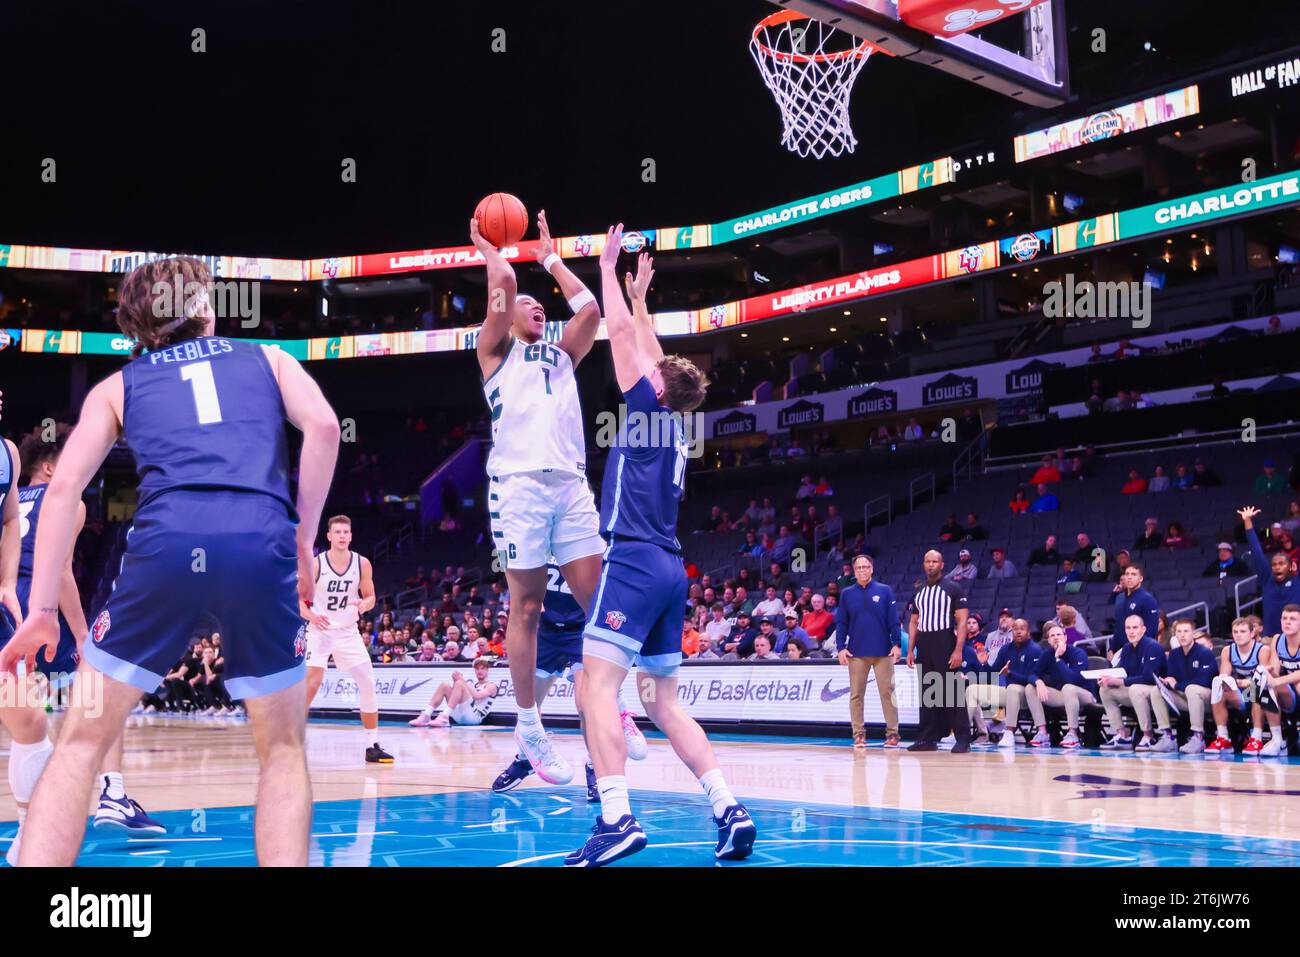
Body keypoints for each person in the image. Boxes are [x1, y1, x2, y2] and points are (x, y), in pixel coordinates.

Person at [0, 256, 340, 866]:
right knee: (284, 749)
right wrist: (303, 536)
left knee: (79, 744)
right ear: (206, 309)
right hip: (259, 537)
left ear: (137, 332)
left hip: (168, 542)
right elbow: (323, 426)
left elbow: (61, 491)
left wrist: (43, 607)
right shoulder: (269, 359)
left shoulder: (118, 386)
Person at [569, 234, 753, 866]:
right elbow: (648, 349)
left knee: (595, 687)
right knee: (660, 700)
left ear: (654, 385)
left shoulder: (646, 407)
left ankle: (617, 817)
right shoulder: (674, 419)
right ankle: (728, 807)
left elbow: (622, 338)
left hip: (634, 560)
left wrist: (608, 271)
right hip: (672, 568)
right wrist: (643, 298)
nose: (643, 367)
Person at [470, 210, 606, 787]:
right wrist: (488, 245)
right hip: (519, 485)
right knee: (526, 608)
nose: (536, 306)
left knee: (599, 604)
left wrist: (551, 257)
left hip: (571, 483)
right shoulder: (495, 353)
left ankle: (608, 709)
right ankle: (528, 724)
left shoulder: (562, 355)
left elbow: (592, 311)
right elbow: (502, 285)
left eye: (538, 303)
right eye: (529, 303)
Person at [0, 426, 164, 856]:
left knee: (28, 720)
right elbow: (64, 575)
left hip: (10, 600)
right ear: (51, 466)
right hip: (34, 606)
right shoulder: (65, 500)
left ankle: (41, 819)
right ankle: (111, 792)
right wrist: (80, 634)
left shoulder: (14, 497)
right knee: (99, 690)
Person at [300, 515, 390, 764]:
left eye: (345, 532)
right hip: (320, 630)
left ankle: (372, 745)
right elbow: (298, 601)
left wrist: (364, 604)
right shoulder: (315, 564)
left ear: (351, 536)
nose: (341, 535)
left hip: (348, 631)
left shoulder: (362, 564)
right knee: (311, 683)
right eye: (337, 532)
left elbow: (371, 596)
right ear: (328, 536)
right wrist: (312, 616)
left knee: (368, 683)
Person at [905, 550, 970, 752]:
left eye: (935, 561)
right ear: (924, 564)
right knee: (928, 692)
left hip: (945, 640)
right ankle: (927, 739)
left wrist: (958, 650)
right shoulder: (919, 590)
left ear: (942, 565)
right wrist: (910, 650)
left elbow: (962, 621)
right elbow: (914, 621)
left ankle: (963, 740)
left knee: (951, 691)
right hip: (924, 642)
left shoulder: (953, 588)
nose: (931, 564)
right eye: (927, 561)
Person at [836, 555, 901, 749]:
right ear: (854, 571)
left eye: (866, 567)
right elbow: (841, 623)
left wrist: (896, 644)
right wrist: (840, 648)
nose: (862, 570)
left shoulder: (884, 591)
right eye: (858, 568)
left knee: (888, 694)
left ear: (872, 569)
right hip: (856, 653)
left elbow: (893, 620)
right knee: (856, 695)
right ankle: (859, 735)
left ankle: (893, 734)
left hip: (883, 652)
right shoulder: (847, 594)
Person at [1205, 617, 1284, 756]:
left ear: (1252, 633)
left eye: (1242, 631)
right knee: (1218, 685)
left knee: (1259, 689)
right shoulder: (1227, 650)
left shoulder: (1262, 650)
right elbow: (1225, 676)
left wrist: (1244, 682)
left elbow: (1263, 676)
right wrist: (1230, 682)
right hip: (1240, 690)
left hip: (1260, 689)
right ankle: (1223, 738)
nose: (1238, 635)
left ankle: (1256, 739)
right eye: (1235, 632)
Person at [1098, 615, 1175, 752]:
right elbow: (1122, 672)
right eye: (1128, 628)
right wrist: (1108, 678)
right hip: (1135, 690)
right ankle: (1121, 734)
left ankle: (1148, 736)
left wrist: (1118, 681)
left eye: (1135, 627)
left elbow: (1149, 678)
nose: (1131, 631)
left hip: (1156, 692)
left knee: (1135, 689)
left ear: (1143, 629)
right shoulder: (1127, 648)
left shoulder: (1153, 647)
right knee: (1105, 690)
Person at [1031, 623, 1097, 748]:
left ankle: (1073, 733)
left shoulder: (1078, 653)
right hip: (1064, 695)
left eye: (1058, 634)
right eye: (1052, 636)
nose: (1056, 637)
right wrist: (1038, 681)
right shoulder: (1046, 654)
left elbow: (1072, 679)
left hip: (1086, 696)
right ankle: (1042, 732)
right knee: (1031, 688)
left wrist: (1058, 658)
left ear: (1065, 638)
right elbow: (1033, 674)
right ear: (1048, 640)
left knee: (1068, 687)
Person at [1239, 506, 1299, 635]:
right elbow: (1256, 551)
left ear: (1291, 566)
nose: (1277, 567)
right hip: (1270, 638)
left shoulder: (1297, 580)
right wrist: (1247, 520)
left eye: (1281, 564)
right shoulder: (1267, 578)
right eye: (1274, 564)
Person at [1161, 617, 1217, 754]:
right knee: (1158, 690)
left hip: (1207, 698)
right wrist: (1167, 683)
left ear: (1193, 633)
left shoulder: (1204, 653)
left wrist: (1177, 685)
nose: (1182, 635)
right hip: (1185, 696)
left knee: (1192, 689)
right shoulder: (1174, 654)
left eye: (1186, 631)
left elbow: (1203, 680)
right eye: (1179, 631)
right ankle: (1167, 737)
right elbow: (1172, 677)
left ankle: (1198, 737)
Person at [411, 657, 498, 728]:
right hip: (460, 714)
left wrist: (461, 680)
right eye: (477, 669)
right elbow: (457, 696)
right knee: (444, 685)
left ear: (487, 670)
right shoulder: (472, 685)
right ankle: (426, 715)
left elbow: (477, 696)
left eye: (482, 669)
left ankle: (444, 717)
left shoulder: (492, 686)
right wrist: (456, 681)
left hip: (474, 718)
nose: (479, 671)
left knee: (460, 683)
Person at [1264, 604, 1300, 724]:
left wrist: (1277, 681)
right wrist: (1267, 671)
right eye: (1284, 618)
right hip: (1289, 686)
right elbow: (1275, 671)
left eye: (1293, 619)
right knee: (1265, 686)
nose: (1287, 622)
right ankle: (1276, 737)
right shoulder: (1277, 639)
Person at [1111, 562, 1160, 653]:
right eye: (1127, 574)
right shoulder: (1119, 598)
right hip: (1121, 651)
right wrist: (1112, 648)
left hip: (1141, 650)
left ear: (1140, 578)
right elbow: (1118, 626)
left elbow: (1151, 630)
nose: (1129, 577)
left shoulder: (1147, 599)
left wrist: (1139, 649)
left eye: (1133, 574)